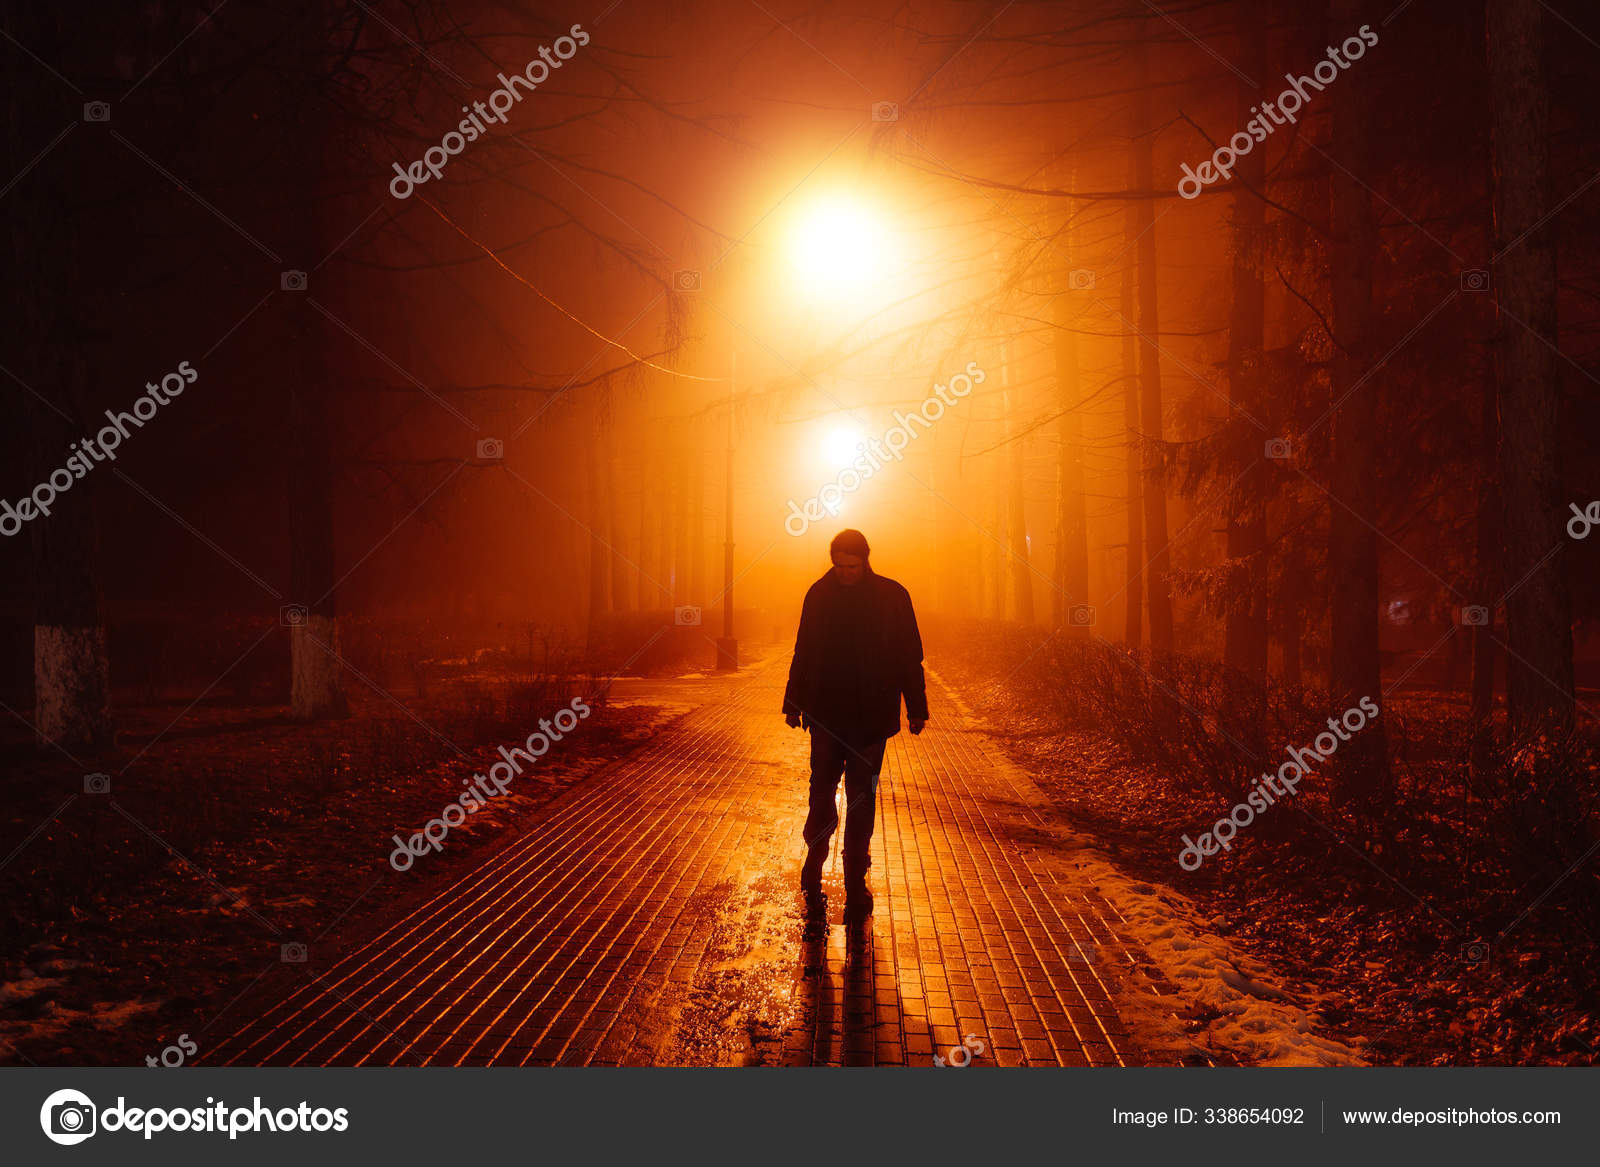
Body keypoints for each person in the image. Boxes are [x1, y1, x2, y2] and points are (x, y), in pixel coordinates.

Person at [783, 529, 928, 923]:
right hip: (827, 714)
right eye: (839, 566)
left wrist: (917, 708)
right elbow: (805, 650)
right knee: (823, 790)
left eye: (851, 566)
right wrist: (793, 704)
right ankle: (816, 859)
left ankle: (853, 876)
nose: (845, 573)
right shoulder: (819, 594)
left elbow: (908, 656)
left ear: (865, 560)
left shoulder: (892, 597)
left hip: (870, 716)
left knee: (861, 798)